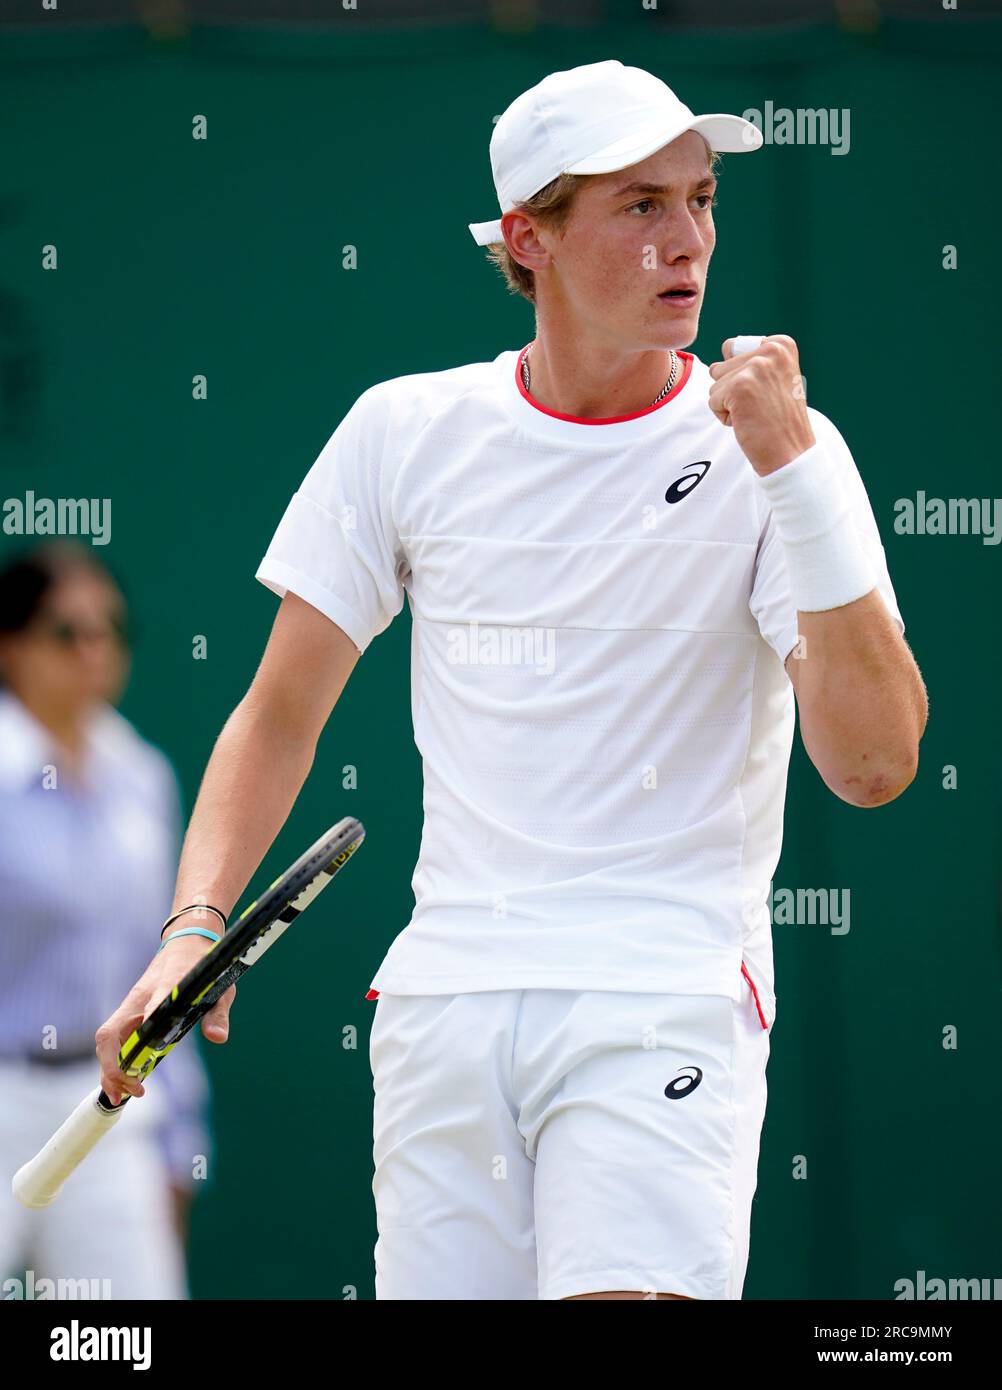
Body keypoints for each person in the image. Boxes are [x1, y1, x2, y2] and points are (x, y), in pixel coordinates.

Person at [96, 60, 928, 1301]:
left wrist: (794, 476)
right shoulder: (404, 431)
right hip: (450, 1003)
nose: (688, 237)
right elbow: (277, 712)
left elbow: (873, 767)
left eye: (701, 200)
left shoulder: (785, 447)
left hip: (663, 995)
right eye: (641, 205)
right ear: (528, 239)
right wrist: (191, 933)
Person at [0, 540, 209, 1300]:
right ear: (11, 645)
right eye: (67, 631)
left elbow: (155, 967)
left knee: (116, 1346)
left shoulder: (143, 778)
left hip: (106, 1107)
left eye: (110, 630)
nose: (94, 651)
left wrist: (176, 1137)